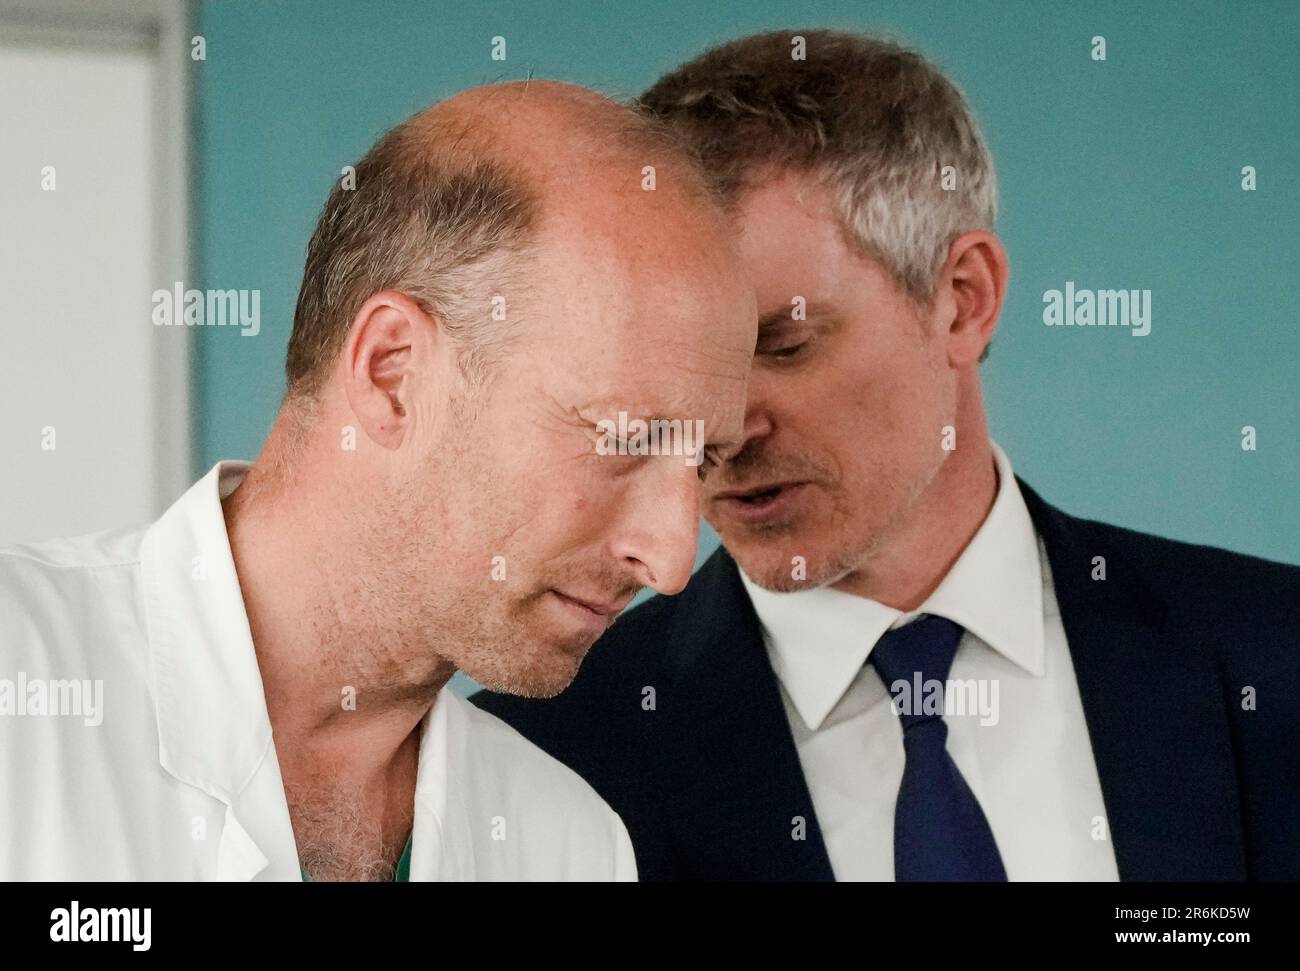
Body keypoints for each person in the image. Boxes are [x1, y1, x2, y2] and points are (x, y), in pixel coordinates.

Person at [473, 31, 1300, 881]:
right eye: (676, 369)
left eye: (784, 344)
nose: (718, 431)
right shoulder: (534, 767)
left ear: (962, 300)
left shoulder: (1277, 656)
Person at [0, 80, 756, 881]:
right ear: (394, 373)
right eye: (623, 440)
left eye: (701, 460)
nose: (672, 559)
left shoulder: (568, 844)